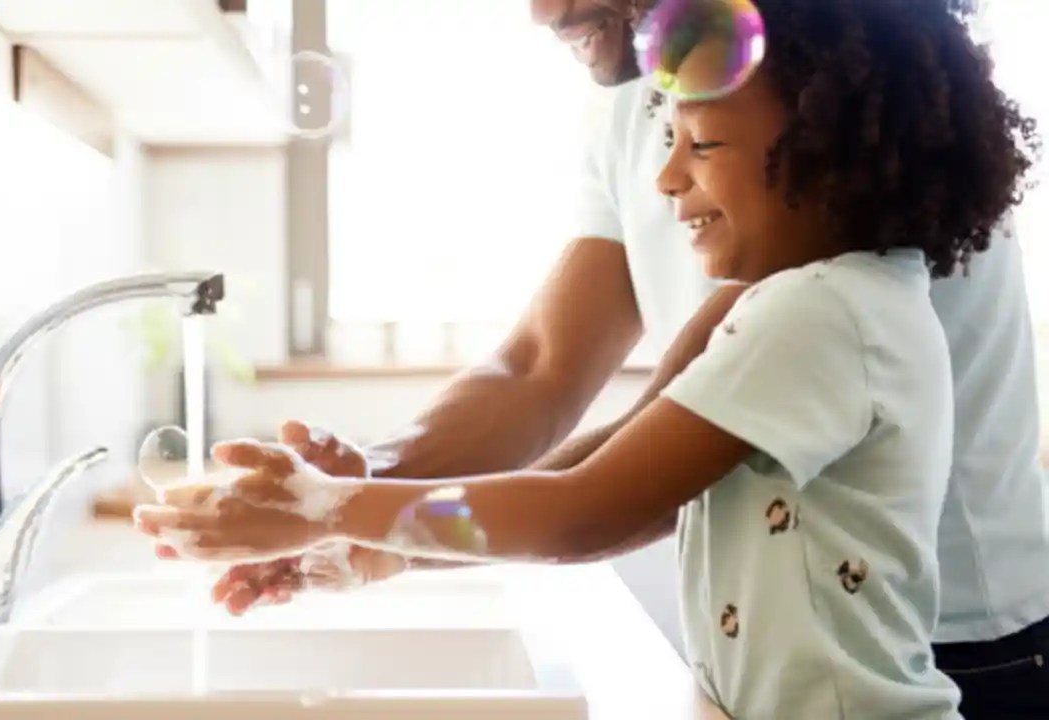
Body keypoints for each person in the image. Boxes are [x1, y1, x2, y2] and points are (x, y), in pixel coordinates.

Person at [136, 1, 1040, 716]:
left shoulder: (821, 296)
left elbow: (586, 512)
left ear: (823, 144)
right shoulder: (780, 282)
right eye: (672, 137)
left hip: (961, 651)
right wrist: (367, 528)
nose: (667, 173)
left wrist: (341, 509)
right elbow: (587, 422)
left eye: (703, 145)